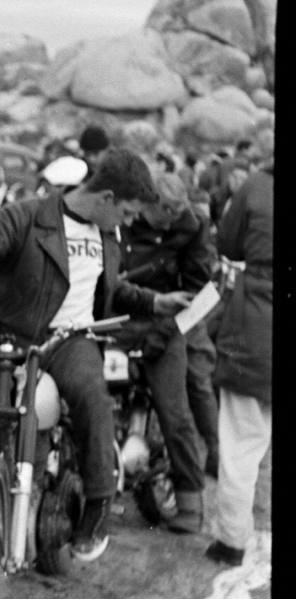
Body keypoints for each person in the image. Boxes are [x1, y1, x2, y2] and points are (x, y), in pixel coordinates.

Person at [0, 149, 192, 562]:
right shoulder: (25, 217)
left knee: (91, 397)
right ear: (105, 197)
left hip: (72, 339)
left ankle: (98, 503)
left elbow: (110, 289)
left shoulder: (106, 234)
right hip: (11, 341)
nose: (131, 221)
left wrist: (157, 302)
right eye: (127, 211)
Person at [116, 171, 218, 533]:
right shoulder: (122, 220)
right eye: (168, 210)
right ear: (149, 203)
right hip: (117, 319)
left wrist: (166, 331)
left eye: (179, 210)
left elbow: (203, 293)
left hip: (169, 325)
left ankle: (191, 502)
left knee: (176, 413)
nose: (174, 217)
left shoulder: (194, 227)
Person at [204, 161, 272, 567]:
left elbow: (228, 246)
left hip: (253, 325)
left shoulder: (254, 186)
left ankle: (231, 540)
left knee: (241, 444)